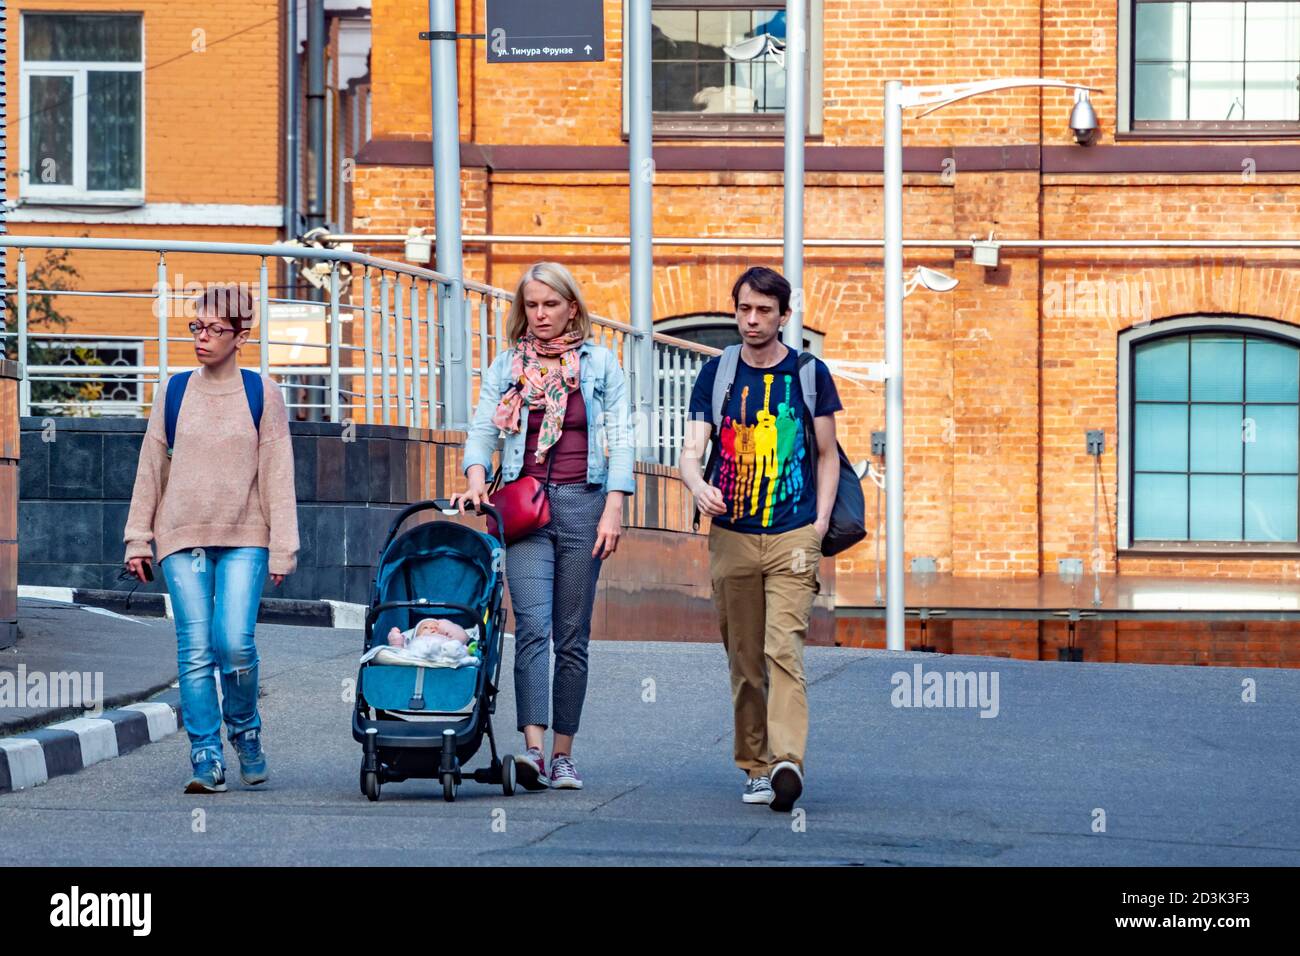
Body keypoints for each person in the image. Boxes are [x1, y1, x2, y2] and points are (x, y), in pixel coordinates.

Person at [451, 262, 634, 792]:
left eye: (551, 304)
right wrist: (478, 477)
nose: (541, 315)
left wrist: (615, 505)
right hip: (525, 506)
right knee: (531, 628)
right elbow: (483, 428)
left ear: (571, 307)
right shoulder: (509, 364)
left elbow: (622, 436)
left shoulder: (600, 365)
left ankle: (563, 755)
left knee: (571, 636)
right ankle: (532, 750)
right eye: (532, 305)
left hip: (584, 506)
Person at [123, 285, 299, 794]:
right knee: (196, 649)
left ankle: (244, 730)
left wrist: (283, 545)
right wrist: (138, 539)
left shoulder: (261, 392)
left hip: (246, 535)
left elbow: (277, 472)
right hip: (180, 535)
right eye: (195, 327)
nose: (202, 338)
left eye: (214, 329)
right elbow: (150, 467)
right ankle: (205, 755)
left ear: (242, 335)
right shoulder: (173, 391)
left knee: (234, 643)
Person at [680, 266, 842, 812]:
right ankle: (755, 765)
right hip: (732, 537)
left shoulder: (809, 374)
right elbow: (690, 450)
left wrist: (818, 525)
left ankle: (787, 761)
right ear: (736, 310)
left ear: (783, 316)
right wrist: (698, 484)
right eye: (745, 309)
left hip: (794, 533)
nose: (753, 320)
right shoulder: (718, 373)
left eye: (764, 311)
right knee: (744, 658)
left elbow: (826, 455)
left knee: (783, 650)